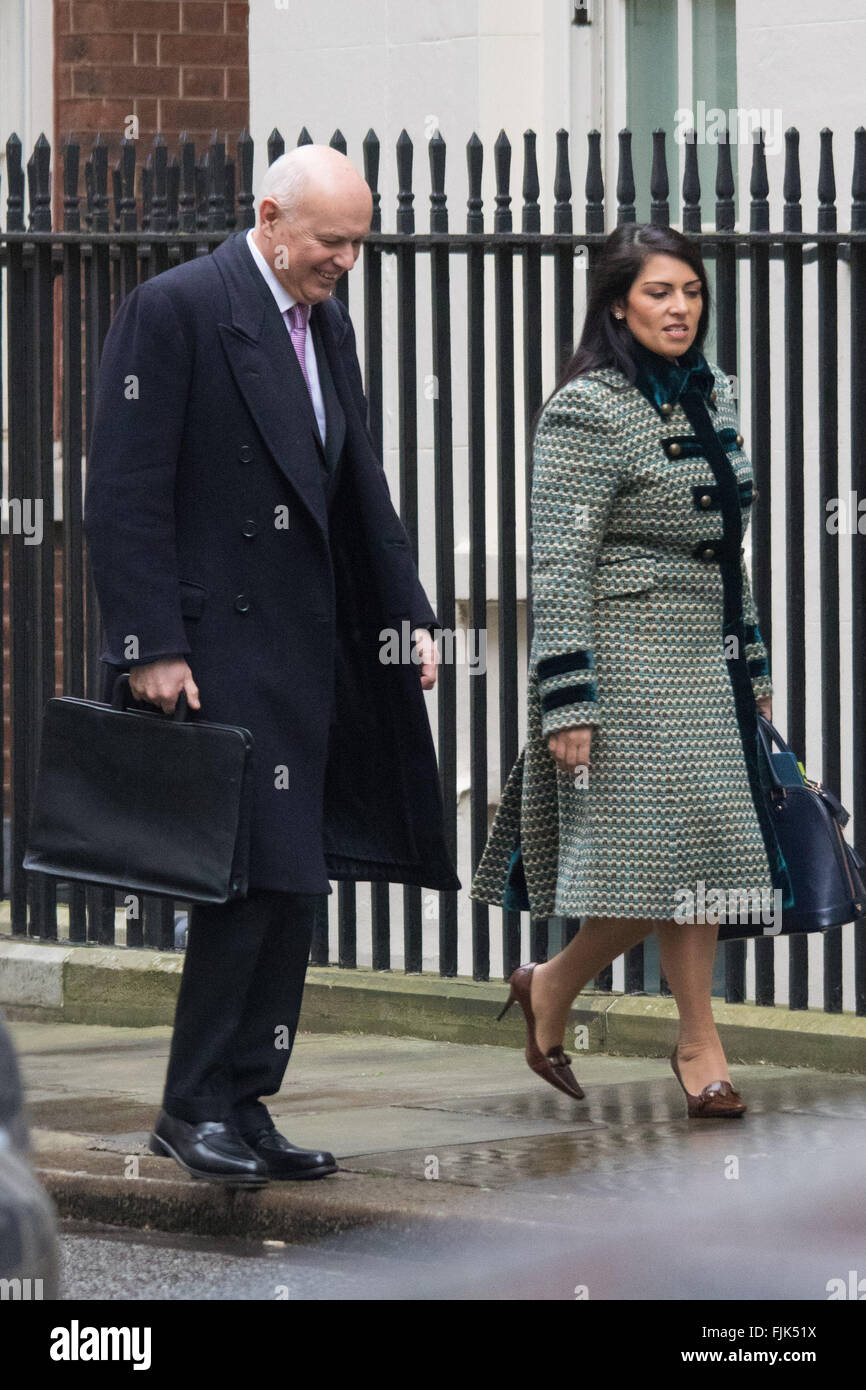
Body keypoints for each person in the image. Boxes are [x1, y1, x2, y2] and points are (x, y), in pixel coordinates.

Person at [84, 144, 459, 1186]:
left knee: (295, 883)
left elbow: (357, 484)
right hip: (214, 651)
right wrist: (148, 645)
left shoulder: (324, 323)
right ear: (270, 217)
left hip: (308, 647)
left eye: (356, 243)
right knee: (241, 883)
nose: (344, 260)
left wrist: (408, 615)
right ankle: (188, 1106)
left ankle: (246, 1101)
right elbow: (122, 489)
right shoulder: (177, 308)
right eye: (331, 241)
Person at [471, 223, 790, 1119]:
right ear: (617, 302)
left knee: (706, 856)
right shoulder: (585, 408)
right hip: (626, 658)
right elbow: (559, 562)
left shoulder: (715, 392)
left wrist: (752, 661)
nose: (680, 308)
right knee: (646, 861)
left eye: (691, 292)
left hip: (708, 656)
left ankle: (679, 1035)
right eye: (659, 293)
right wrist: (567, 697)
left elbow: (731, 548)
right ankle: (594, 1000)